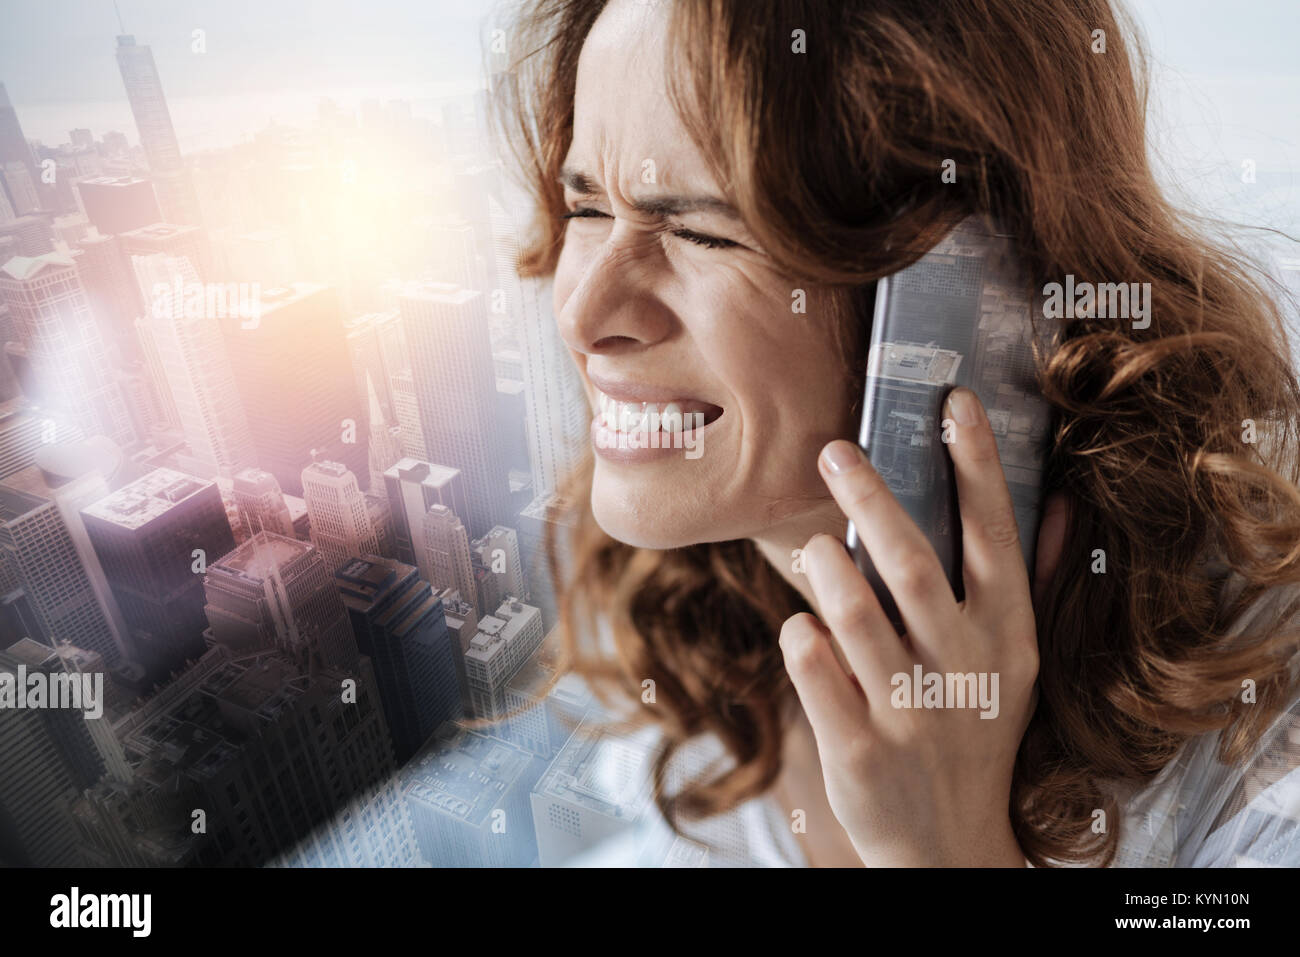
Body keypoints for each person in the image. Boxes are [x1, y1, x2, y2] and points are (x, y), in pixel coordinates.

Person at [492, 0, 1300, 866]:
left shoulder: (1263, 754)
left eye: (698, 229)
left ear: (977, 275)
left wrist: (947, 850)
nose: (582, 313)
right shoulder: (699, 615)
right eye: (586, 210)